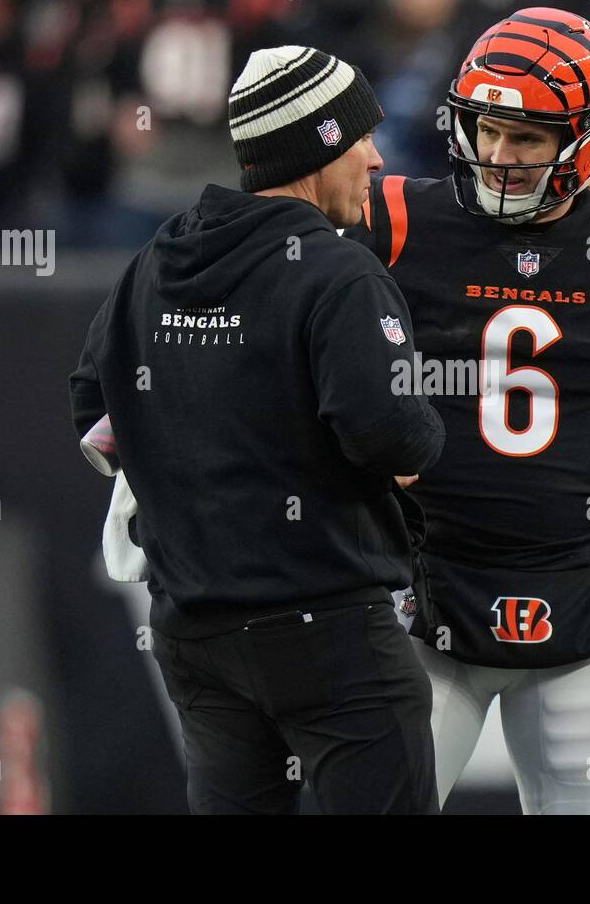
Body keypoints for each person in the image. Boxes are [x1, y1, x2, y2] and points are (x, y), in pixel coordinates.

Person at [342, 7, 590, 814]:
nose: (498, 156)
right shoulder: (398, 222)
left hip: (578, 612)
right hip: (426, 598)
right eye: (486, 129)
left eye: (527, 138)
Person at [68, 45, 445, 814]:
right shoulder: (337, 272)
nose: (376, 161)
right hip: (330, 626)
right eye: (360, 138)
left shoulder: (158, 259)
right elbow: (391, 436)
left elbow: (94, 411)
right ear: (317, 146)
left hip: (196, 627)